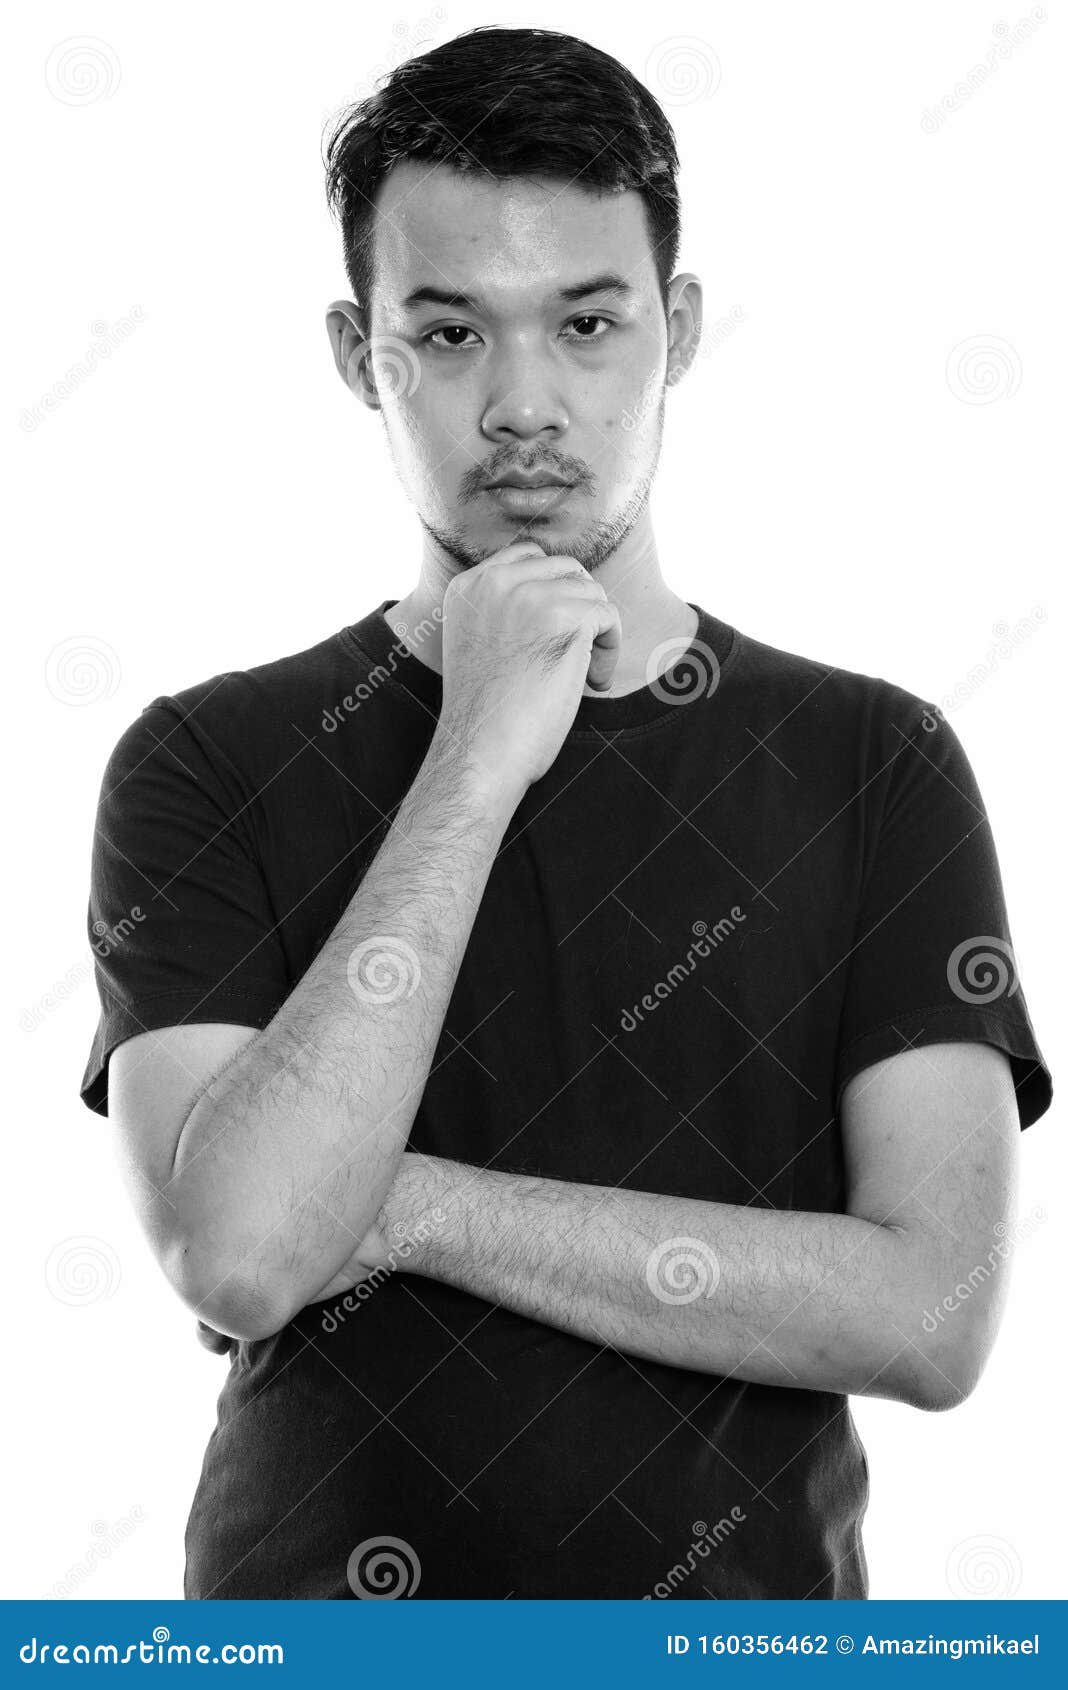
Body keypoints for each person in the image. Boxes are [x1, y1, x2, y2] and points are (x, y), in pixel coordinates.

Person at [80, 26, 1052, 1601]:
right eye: (449, 334)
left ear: (673, 328)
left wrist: (396, 1205)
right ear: (358, 353)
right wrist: (471, 760)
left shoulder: (876, 758)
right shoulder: (203, 759)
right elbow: (249, 1253)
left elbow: (934, 1319)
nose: (522, 404)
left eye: (585, 323)